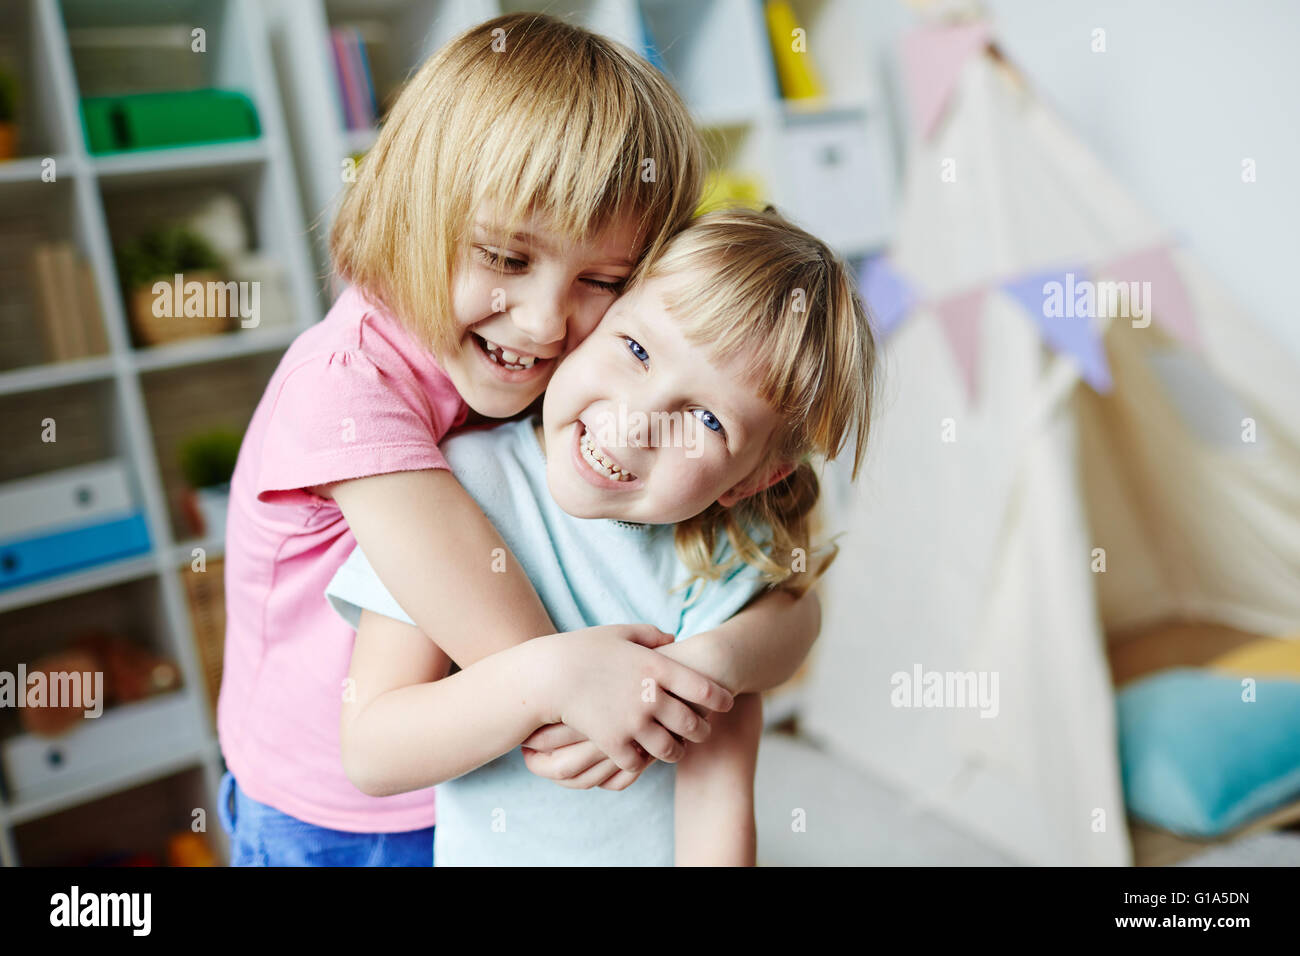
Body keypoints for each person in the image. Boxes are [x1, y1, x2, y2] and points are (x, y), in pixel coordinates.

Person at [326, 208, 877, 865]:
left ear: (753, 478)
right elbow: (372, 750)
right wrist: (549, 678)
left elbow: (718, 809)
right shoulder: (456, 487)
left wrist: (697, 669)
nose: (636, 423)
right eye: (638, 350)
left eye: (705, 418)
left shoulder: (714, 559)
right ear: (596, 320)